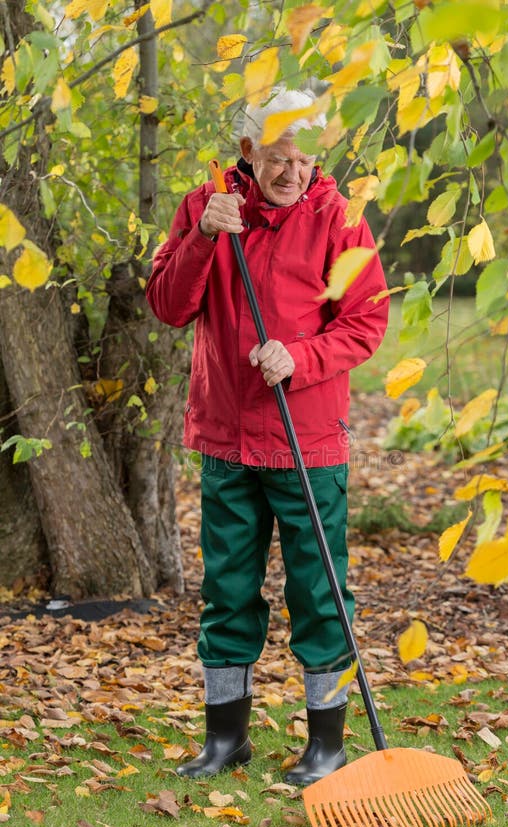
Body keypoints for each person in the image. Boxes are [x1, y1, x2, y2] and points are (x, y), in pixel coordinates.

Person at [146, 87, 390, 786]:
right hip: (225, 436)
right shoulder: (208, 204)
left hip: (306, 440)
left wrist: (301, 357)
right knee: (227, 589)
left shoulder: (341, 219)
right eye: (279, 159)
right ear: (247, 152)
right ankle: (227, 739)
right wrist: (203, 237)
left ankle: (327, 745)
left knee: (319, 592)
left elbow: (365, 323)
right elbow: (168, 305)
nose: (293, 173)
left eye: (306, 159)